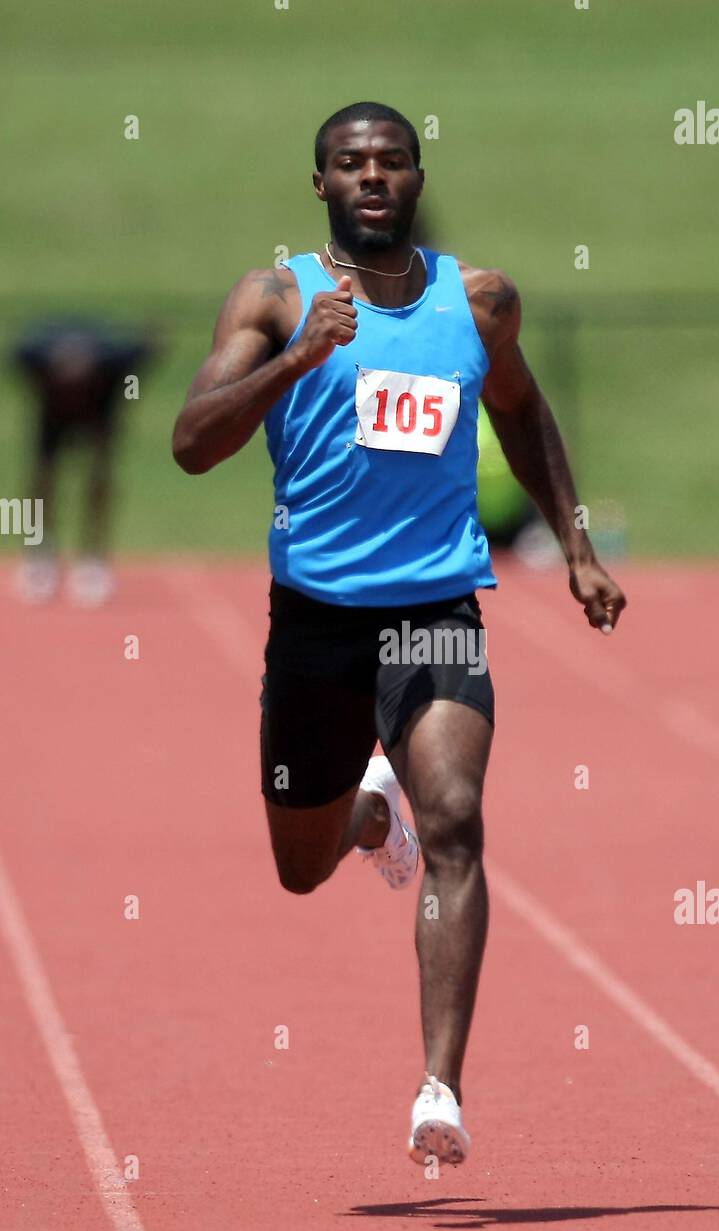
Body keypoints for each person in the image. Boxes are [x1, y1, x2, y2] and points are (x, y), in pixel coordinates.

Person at [172, 101, 626, 1166]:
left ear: (417, 177)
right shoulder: (276, 298)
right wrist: (295, 361)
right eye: (348, 163)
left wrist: (576, 542)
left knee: (460, 819)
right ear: (319, 184)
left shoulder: (480, 302)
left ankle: (439, 1088)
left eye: (389, 161)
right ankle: (368, 821)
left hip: (435, 610)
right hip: (317, 624)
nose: (371, 176)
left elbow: (520, 408)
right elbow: (192, 443)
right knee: (299, 866)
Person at [11, 318, 155, 605]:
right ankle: (40, 552)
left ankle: (93, 559)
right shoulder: (34, 356)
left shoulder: (115, 361)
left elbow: (145, 355)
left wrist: (151, 339)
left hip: (100, 412)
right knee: (42, 479)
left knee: (100, 478)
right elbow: (14, 357)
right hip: (52, 417)